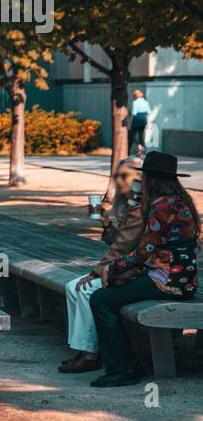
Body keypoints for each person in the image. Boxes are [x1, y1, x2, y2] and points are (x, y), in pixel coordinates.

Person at [88, 151, 198, 387]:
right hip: (184, 280)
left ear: (150, 178)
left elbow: (144, 251)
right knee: (114, 297)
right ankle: (130, 361)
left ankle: (122, 368)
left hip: (167, 282)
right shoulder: (181, 201)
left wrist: (113, 266)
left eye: (144, 175)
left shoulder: (161, 206)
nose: (141, 180)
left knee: (101, 300)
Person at [59, 157, 143, 373]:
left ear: (138, 179)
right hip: (123, 267)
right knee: (71, 287)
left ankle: (90, 355)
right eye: (117, 177)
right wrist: (105, 222)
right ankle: (83, 349)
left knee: (85, 289)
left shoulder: (140, 204)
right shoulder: (127, 204)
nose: (120, 181)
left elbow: (123, 246)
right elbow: (118, 240)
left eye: (125, 176)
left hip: (137, 270)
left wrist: (96, 272)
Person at [128, 90, 151, 158]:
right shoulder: (145, 102)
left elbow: (134, 112)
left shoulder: (135, 102)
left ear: (135, 96)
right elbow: (149, 111)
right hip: (143, 119)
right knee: (141, 135)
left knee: (132, 134)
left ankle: (138, 145)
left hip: (137, 119)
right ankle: (141, 152)